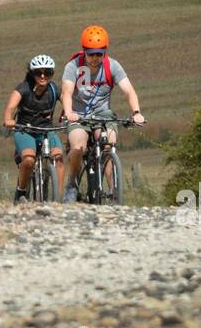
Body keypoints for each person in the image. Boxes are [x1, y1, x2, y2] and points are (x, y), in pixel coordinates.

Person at [60, 24, 145, 203]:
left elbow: (129, 91)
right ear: (84, 51)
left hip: (103, 115)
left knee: (108, 144)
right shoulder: (73, 66)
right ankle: (72, 183)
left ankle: (114, 190)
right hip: (78, 115)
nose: (95, 58)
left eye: (100, 53)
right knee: (77, 147)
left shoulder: (112, 66)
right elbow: (66, 92)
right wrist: (69, 113)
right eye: (91, 53)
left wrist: (136, 112)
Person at [2, 55, 65, 203]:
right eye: (38, 72)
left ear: (52, 74)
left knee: (59, 158)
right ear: (32, 73)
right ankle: (21, 192)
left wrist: (70, 113)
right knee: (29, 160)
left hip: (47, 131)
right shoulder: (23, 89)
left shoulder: (54, 89)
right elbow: (10, 108)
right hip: (25, 131)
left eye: (47, 72)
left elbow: (67, 101)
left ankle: (59, 199)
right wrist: (8, 119)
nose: (43, 76)